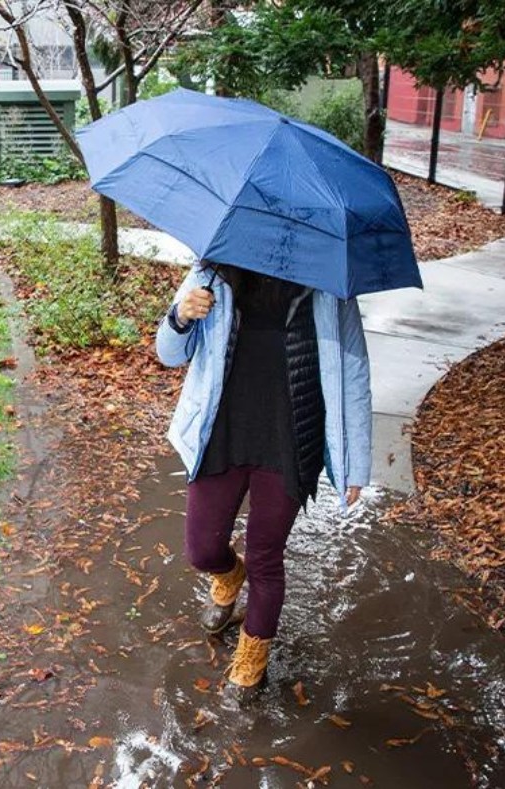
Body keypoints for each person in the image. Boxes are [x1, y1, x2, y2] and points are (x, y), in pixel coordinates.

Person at [156, 262, 372, 698]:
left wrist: (356, 462)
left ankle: (251, 661)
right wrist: (180, 316)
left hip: (290, 437)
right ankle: (228, 577)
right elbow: (169, 354)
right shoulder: (213, 271)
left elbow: (353, 370)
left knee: (266, 556)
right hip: (221, 431)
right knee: (202, 549)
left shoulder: (330, 284)